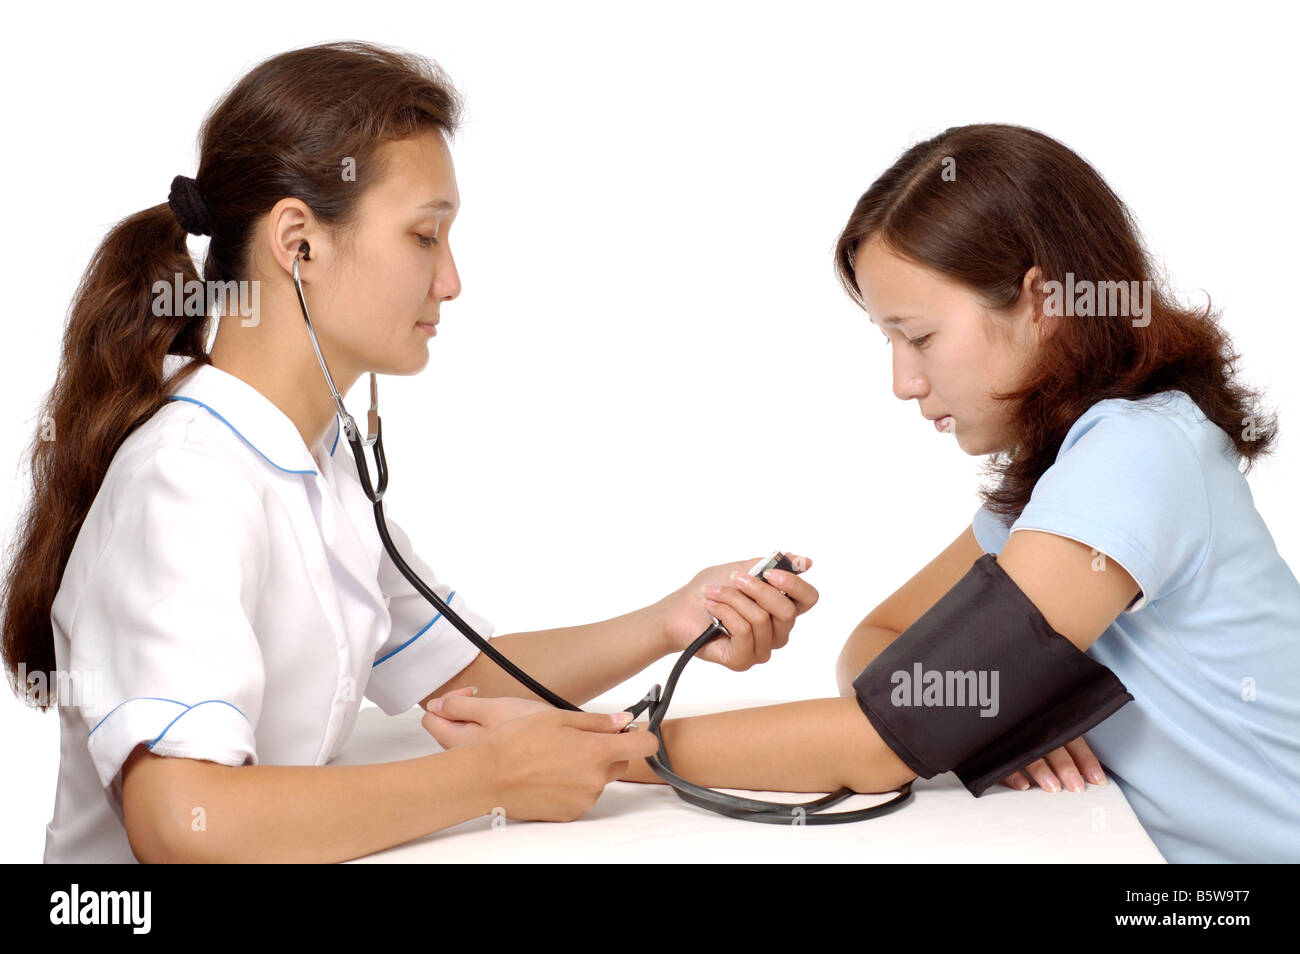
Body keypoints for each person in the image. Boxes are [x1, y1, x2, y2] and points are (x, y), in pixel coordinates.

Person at [0, 41, 820, 864]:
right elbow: (179, 823)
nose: (452, 280)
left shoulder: (311, 459)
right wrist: (489, 781)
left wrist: (669, 620)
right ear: (299, 245)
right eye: (425, 236)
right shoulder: (185, 481)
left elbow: (459, 675)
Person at [425, 124, 1300, 863]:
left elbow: (887, 735)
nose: (902, 382)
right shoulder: (1065, 472)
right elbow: (880, 644)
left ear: (1043, 303)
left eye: (917, 335)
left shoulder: (1136, 455)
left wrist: (609, 752)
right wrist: (998, 711)